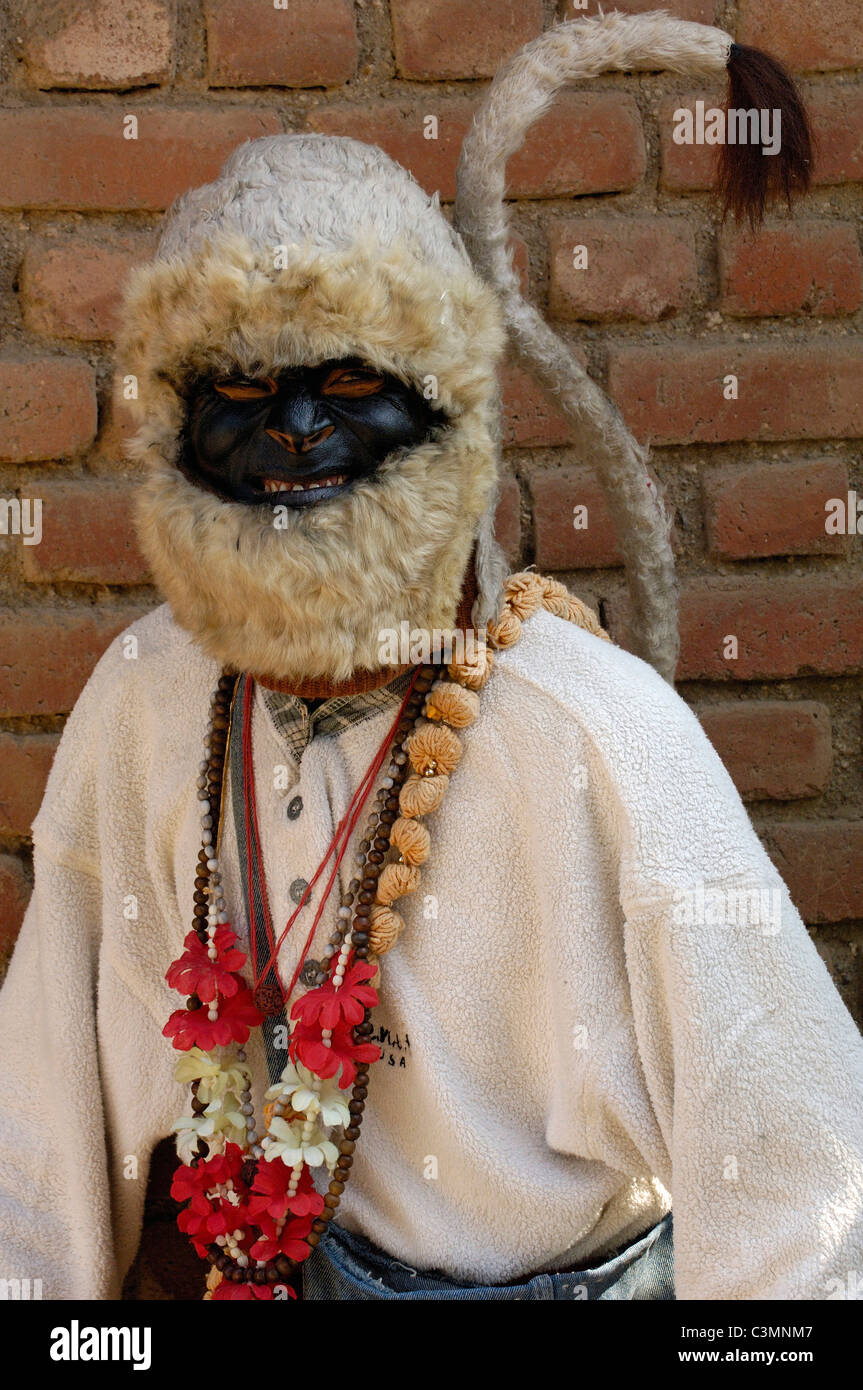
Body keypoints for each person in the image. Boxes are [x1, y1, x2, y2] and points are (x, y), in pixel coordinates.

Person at [1, 12, 861, 1302]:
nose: (294, 436)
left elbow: (810, 1190)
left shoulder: (590, 730)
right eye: (241, 390)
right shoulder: (147, 695)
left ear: (441, 404)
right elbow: (36, 1156)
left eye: (348, 388)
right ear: (174, 418)